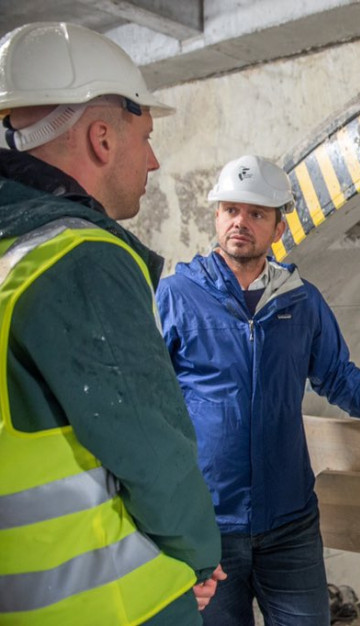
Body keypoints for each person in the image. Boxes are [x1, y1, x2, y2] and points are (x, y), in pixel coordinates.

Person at [0, 22, 223, 624]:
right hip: (111, 602)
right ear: (102, 138)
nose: (153, 160)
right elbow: (151, 449)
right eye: (145, 137)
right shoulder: (77, 258)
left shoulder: (11, 250)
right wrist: (199, 556)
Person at [156, 154, 360, 625]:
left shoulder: (301, 301)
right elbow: (148, 396)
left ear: (278, 228)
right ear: (216, 216)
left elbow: (337, 376)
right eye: (230, 210)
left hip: (290, 525)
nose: (239, 222)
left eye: (256, 214)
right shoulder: (178, 296)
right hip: (208, 524)